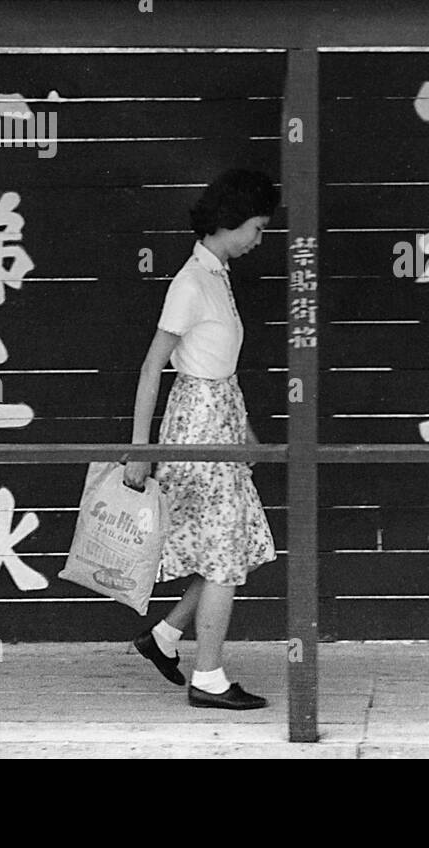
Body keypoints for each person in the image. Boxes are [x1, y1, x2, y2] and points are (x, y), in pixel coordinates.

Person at [124, 168, 280, 710]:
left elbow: (220, 368)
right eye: (257, 228)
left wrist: (247, 434)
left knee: (225, 548)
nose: (259, 239)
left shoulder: (216, 274)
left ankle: (165, 637)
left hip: (220, 421)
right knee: (222, 554)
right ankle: (208, 676)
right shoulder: (190, 283)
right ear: (231, 222)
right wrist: (141, 451)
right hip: (198, 428)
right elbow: (152, 369)